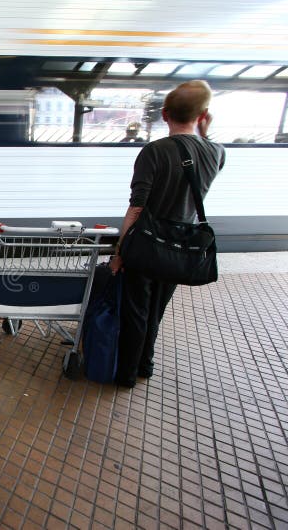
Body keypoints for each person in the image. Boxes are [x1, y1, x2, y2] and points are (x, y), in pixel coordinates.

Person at [110, 80, 225, 388]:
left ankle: (127, 374)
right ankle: (146, 364)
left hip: (147, 244)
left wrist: (120, 252)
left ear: (164, 114)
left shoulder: (154, 152)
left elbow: (136, 208)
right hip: (180, 246)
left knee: (137, 311)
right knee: (156, 310)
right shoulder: (216, 152)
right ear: (203, 115)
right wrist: (205, 132)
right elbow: (203, 157)